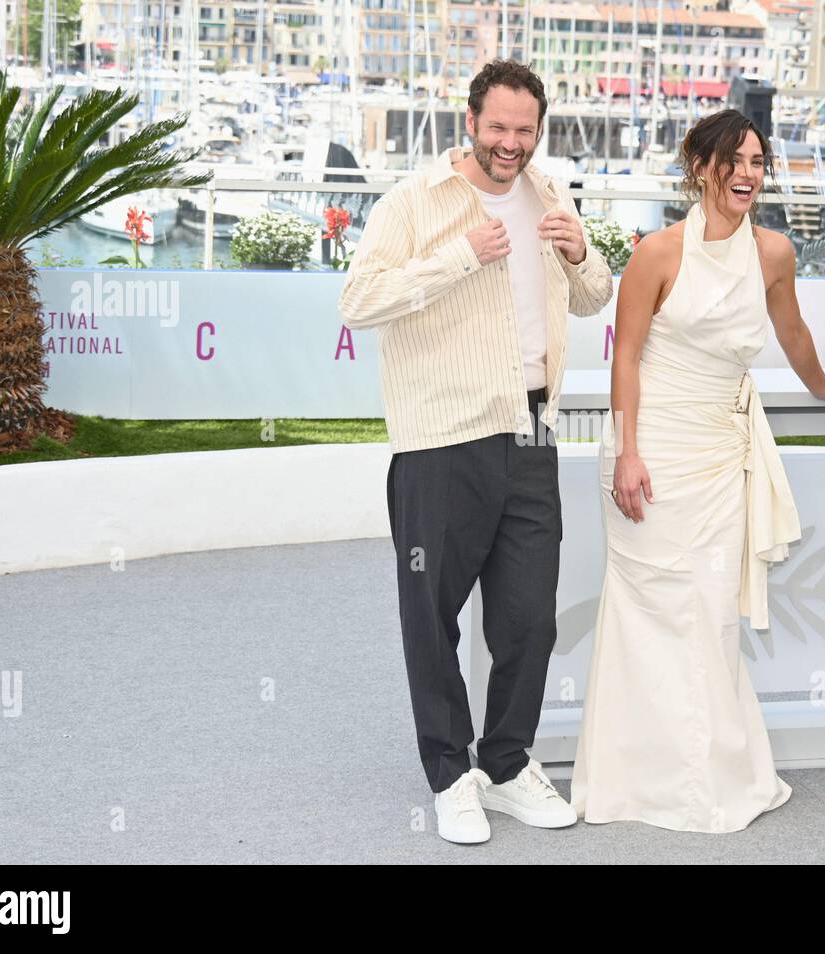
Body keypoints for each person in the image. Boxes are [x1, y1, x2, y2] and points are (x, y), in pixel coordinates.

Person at [339, 60, 614, 844]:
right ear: (471, 121)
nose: (511, 144)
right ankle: (450, 772)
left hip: (532, 431)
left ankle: (505, 761)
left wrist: (579, 250)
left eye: (525, 130)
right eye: (497, 127)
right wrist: (461, 255)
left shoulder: (549, 193)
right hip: (441, 435)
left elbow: (594, 296)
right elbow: (358, 300)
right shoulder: (416, 201)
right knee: (431, 616)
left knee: (529, 618)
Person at [570, 109, 825, 833]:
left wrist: (823, 384)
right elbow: (626, 356)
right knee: (648, 614)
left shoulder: (774, 253)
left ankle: (706, 779)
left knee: (706, 617)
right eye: (733, 160)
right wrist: (627, 452)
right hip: (653, 452)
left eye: (758, 161)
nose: (747, 174)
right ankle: (633, 781)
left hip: (720, 455)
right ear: (700, 167)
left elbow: (790, 330)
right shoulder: (657, 253)